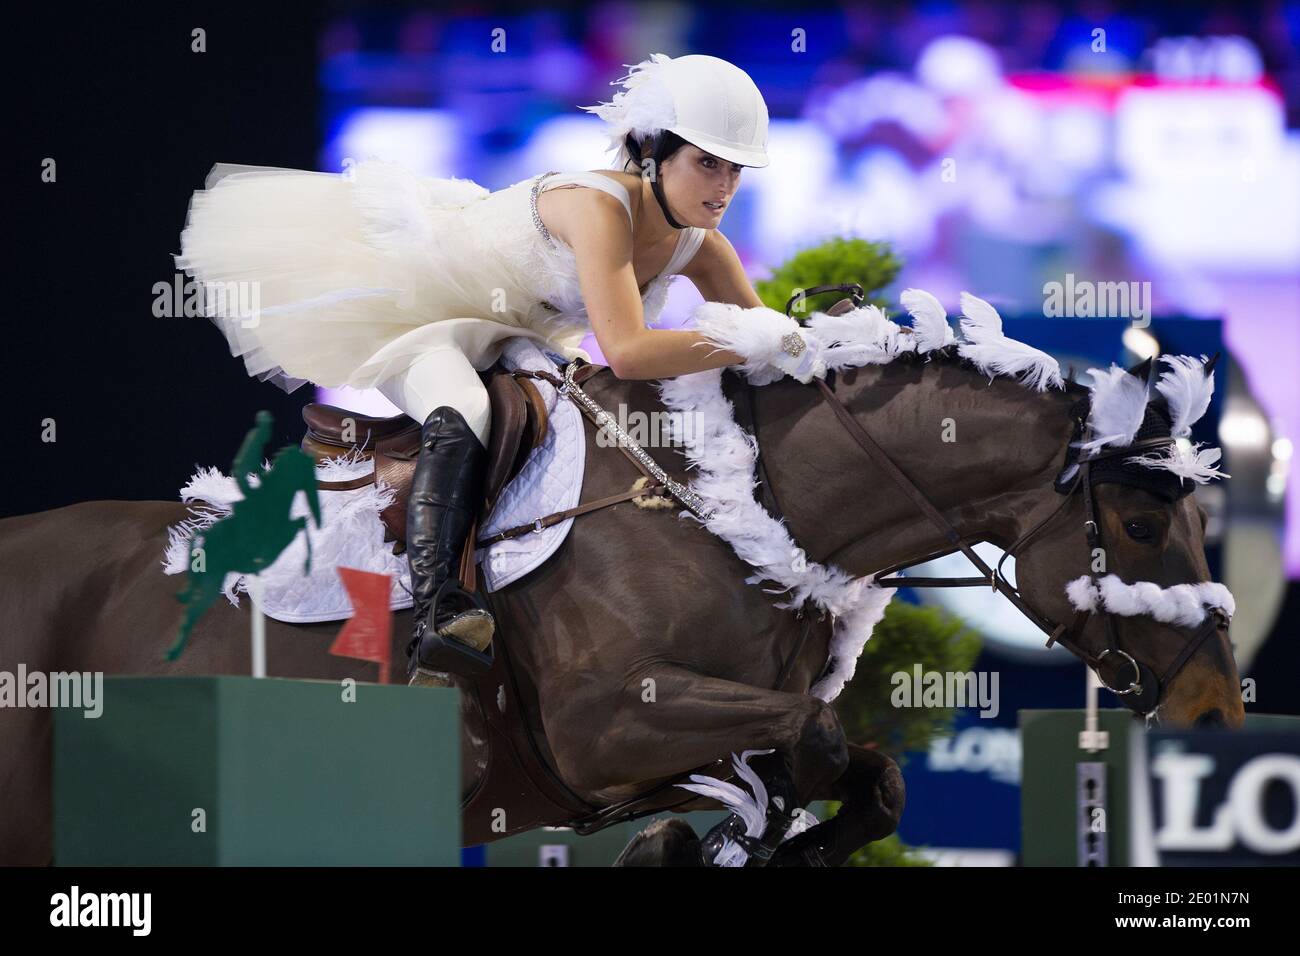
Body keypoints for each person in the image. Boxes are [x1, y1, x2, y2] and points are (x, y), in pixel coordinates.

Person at [174, 53, 823, 686]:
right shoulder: (600, 208)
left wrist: (821, 346)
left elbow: (767, 341)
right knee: (470, 412)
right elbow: (627, 350)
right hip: (423, 319)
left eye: (735, 170)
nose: (724, 186)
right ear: (653, 155)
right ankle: (439, 607)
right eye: (708, 163)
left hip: (517, 341)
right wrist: (755, 343)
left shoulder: (703, 246)